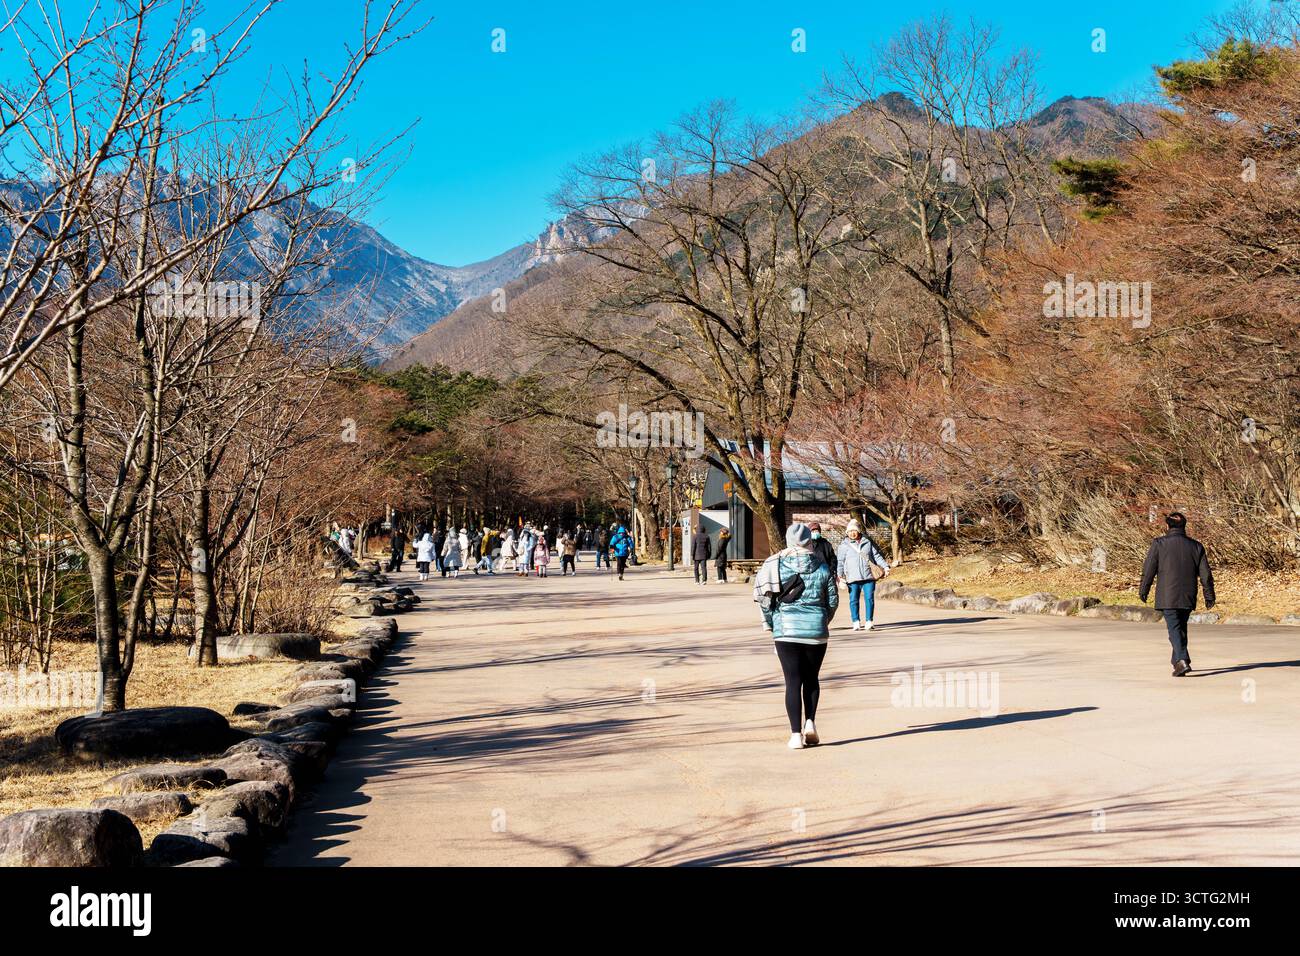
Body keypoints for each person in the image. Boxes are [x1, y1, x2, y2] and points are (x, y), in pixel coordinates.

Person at [754, 523, 839, 749]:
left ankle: (794, 735)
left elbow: (764, 600)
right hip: (816, 632)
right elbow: (832, 601)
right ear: (809, 540)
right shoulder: (821, 567)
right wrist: (822, 620)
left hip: (786, 631)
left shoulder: (775, 564)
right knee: (811, 679)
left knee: (792, 682)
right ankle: (810, 722)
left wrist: (773, 625)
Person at [1139, 512, 1216, 677]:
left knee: (1174, 629)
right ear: (1184, 526)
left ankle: (1182, 660)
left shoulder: (1159, 544)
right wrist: (1209, 594)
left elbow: (1149, 569)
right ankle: (1177, 664)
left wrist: (1144, 589)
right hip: (1188, 595)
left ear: (1167, 527)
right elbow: (1206, 574)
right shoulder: (1196, 546)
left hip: (1168, 596)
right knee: (1180, 629)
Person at [836, 519, 890, 631]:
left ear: (859, 531)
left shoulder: (867, 542)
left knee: (869, 599)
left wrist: (885, 567)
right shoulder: (843, 546)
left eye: (854, 530)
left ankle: (869, 621)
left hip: (868, 577)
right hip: (852, 578)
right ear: (847, 533)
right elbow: (840, 562)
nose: (852, 533)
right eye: (850, 531)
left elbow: (876, 556)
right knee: (853, 600)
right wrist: (839, 576)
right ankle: (856, 621)